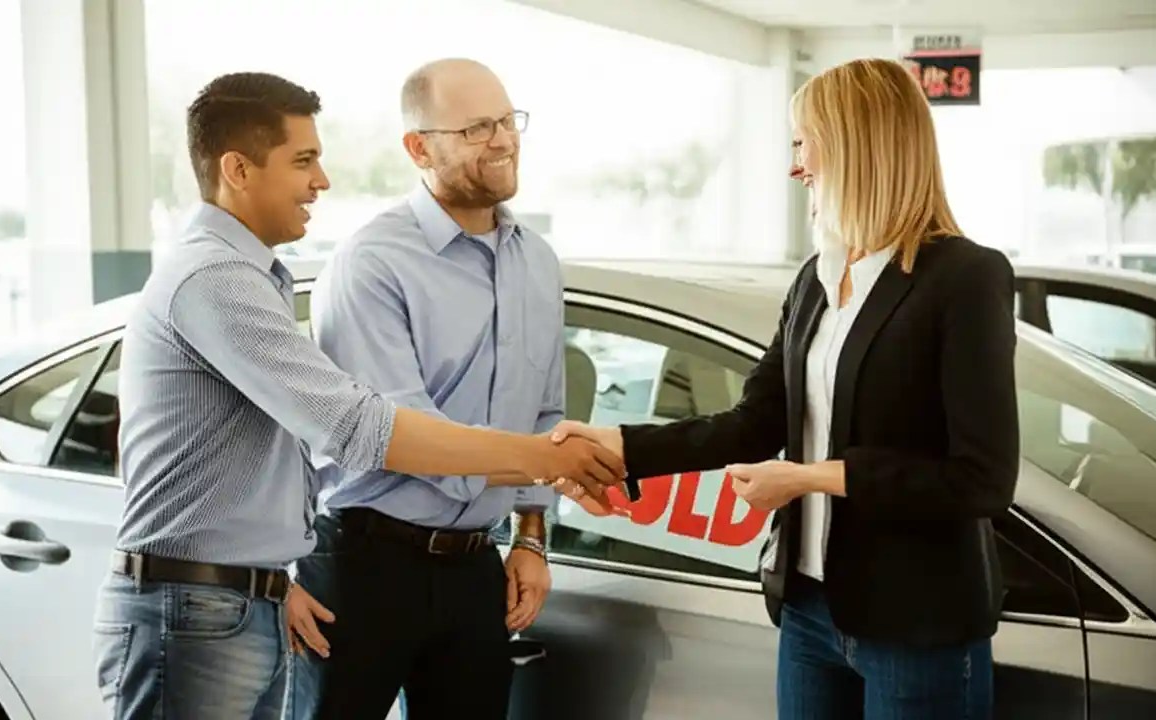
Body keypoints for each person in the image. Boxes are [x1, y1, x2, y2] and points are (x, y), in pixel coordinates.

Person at [91, 71, 624, 720]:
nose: (322, 181)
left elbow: (242, 454)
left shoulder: (253, 276)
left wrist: (263, 581)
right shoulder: (219, 278)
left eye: (507, 120)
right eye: (304, 161)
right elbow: (358, 430)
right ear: (238, 169)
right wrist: (549, 459)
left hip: (237, 599)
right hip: (251, 594)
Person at [553, 57, 1019, 719]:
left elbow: (982, 480)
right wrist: (620, 446)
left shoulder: (964, 278)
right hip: (807, 608)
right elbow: (756, 422)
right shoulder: (817, 278)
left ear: (858, 144)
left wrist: (810, 479)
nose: (796, 165)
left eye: (804, 142)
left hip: (916, 626)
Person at [288, 57, 597, 720]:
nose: (504, 140)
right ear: (418, 146)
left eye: (509, 121)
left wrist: (531, 537)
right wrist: (552, 462)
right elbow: (406, 434)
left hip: (473, 572)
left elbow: (545, 409)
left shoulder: (536, 262)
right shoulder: (373, 262)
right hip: (365, 564)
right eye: (478, 128)